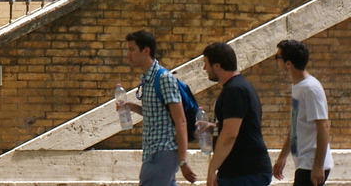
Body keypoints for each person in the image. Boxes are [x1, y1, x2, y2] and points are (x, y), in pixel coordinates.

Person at [118, 30, 194, 186]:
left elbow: (180, 121)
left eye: (131, 49)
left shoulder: (163, 78)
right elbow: (156, 113)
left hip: (162, 152)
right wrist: (131, 107)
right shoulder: (147, 79)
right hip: (152, 152)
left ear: (146, 50)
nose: (128, 55)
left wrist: (183, 161)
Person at [201, 41, 270, 186]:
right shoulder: (237, 87)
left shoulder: (235, 90)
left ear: (217, 66)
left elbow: (230, 135)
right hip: (242, 172)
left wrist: (211, 169)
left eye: (206, 64)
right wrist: (215, 127)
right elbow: (240, 127)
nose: (204, 68)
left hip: (245, 173)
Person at [272, 39, 331, 186]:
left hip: (311, 163)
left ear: (288, 63)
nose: (276, 60)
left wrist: (317, 166)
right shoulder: (298, 86)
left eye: (277, 57)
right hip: (304, 162)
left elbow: (323, 126)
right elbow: (295, 125)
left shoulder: (310, 89)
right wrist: (283, 156)